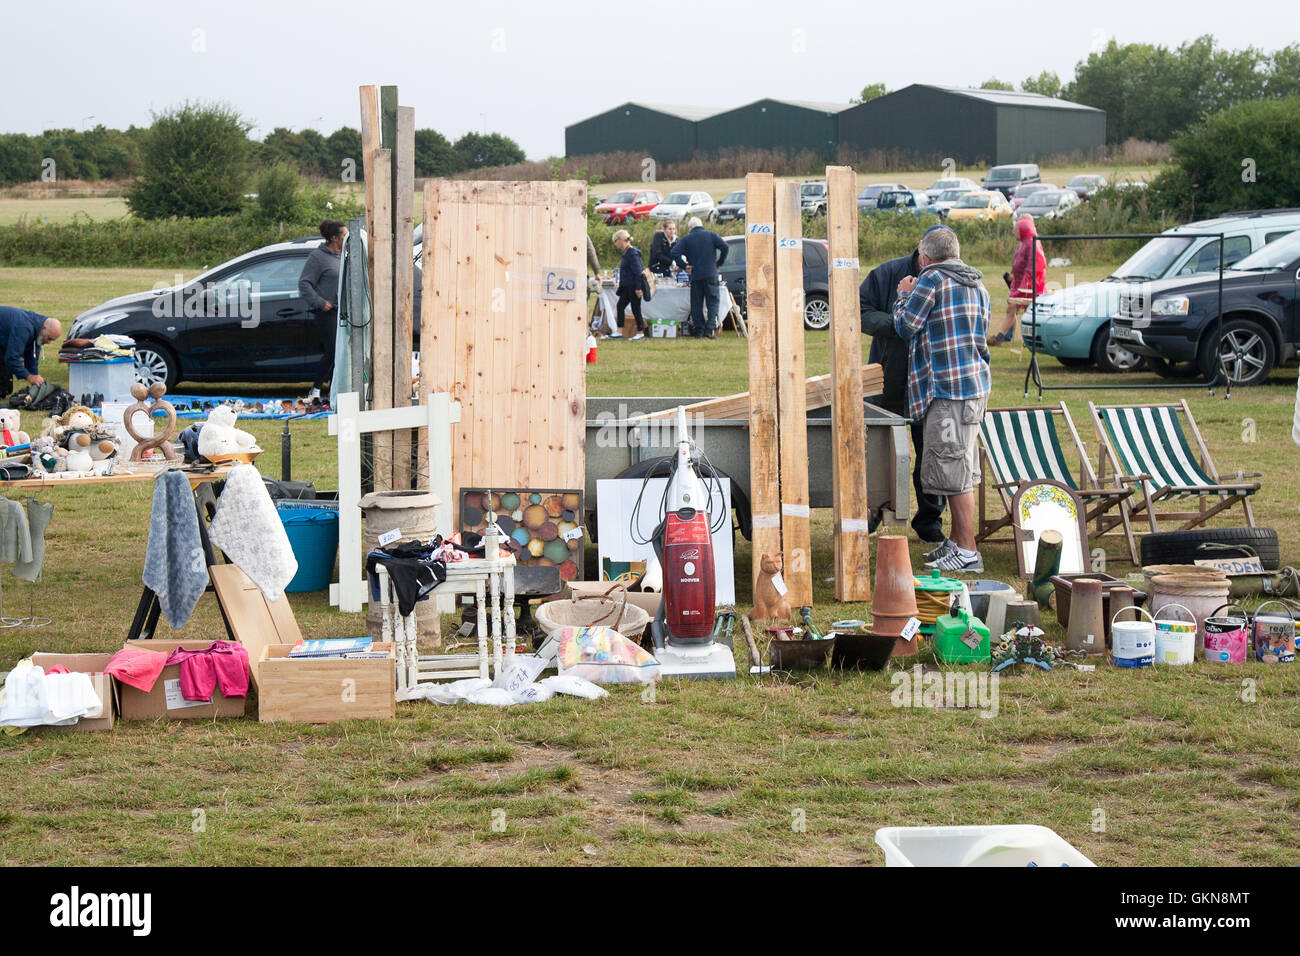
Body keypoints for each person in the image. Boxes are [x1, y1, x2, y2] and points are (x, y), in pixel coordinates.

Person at [892, 225, 992, 573]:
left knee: (952, 469)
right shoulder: (977, 284)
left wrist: (904, 294)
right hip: (972, 387)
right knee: (961, 467)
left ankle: (967, 551)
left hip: (948, 391)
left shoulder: (931, 280)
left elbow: (906, 326)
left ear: (925, 256)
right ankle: (958, 542)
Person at [859, 227, 948, 545]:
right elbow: (859, 311)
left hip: (933, 383)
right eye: (934, 262)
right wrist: (898, 327)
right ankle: (870, 513)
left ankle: (929, 521)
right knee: (876, 454)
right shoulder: (887, 273)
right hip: (889, 380)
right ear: (921, 255)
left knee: (932, 453)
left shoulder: (949, 278)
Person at [298, 219, 348, 400]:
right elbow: (304, 283)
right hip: (327, 312)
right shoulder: (317, 257)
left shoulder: (342, 255)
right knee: (333, 352)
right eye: (344, 235)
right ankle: (316, 389)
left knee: (340, 353)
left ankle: (334, 391)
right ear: (334, 238)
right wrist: (320, 302)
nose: (346, 238)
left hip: (342, 312)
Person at [669, 216, 728, 338]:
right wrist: (719, 263)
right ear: (701, 225)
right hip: (711, 274)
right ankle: (710, 329)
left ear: (690, 227)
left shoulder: (687, 239)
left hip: (695, 275)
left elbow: (674, 252)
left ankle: (699, 330)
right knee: (712, 302)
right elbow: (725, 247)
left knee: (697, 304)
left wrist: (684, 266)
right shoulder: (711, 235)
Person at [990, 214, 1045, 345]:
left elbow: (1033, 268)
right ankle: (1001, 337)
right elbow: (1020, 264)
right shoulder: (1023, 243)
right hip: (1020, 284)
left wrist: (1022, 287)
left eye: (1016, 228)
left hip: (1030, 286)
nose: (1014, 232)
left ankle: (1005, 337)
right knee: (1012, 308)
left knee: (1021, 310)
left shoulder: (1032, 243)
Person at [0, 306, 61, 395]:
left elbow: (32, 357)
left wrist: (35, 378)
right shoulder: (24, 328)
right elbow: (11, 358)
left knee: (5, 389)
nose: (48, 342)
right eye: (49, 338)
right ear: (44, 328)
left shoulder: (38, 331)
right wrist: (29, 377)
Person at [612, 229, 648, 340]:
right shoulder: (627, 252)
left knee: (635, 308)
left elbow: (638, 272)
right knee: (620, 306)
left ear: (621, 240)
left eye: (615, 241)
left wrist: (638, 288)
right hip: (627, 286)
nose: (615, 244)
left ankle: (640, 332)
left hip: (633, 286)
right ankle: (619, 331)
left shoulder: (632, 253)